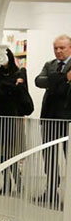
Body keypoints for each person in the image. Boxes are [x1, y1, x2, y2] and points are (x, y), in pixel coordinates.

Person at [34, 33, 71, 201]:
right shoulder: (50, 64)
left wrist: (53, 81)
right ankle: (51, 190)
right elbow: (38, 81)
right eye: (55, 48)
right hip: (49, 116)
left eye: (62, 48)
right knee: (48, 156)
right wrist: (64, 78)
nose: (58, 51)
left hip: (67, 118)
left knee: (68, 156)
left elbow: (47, 82)